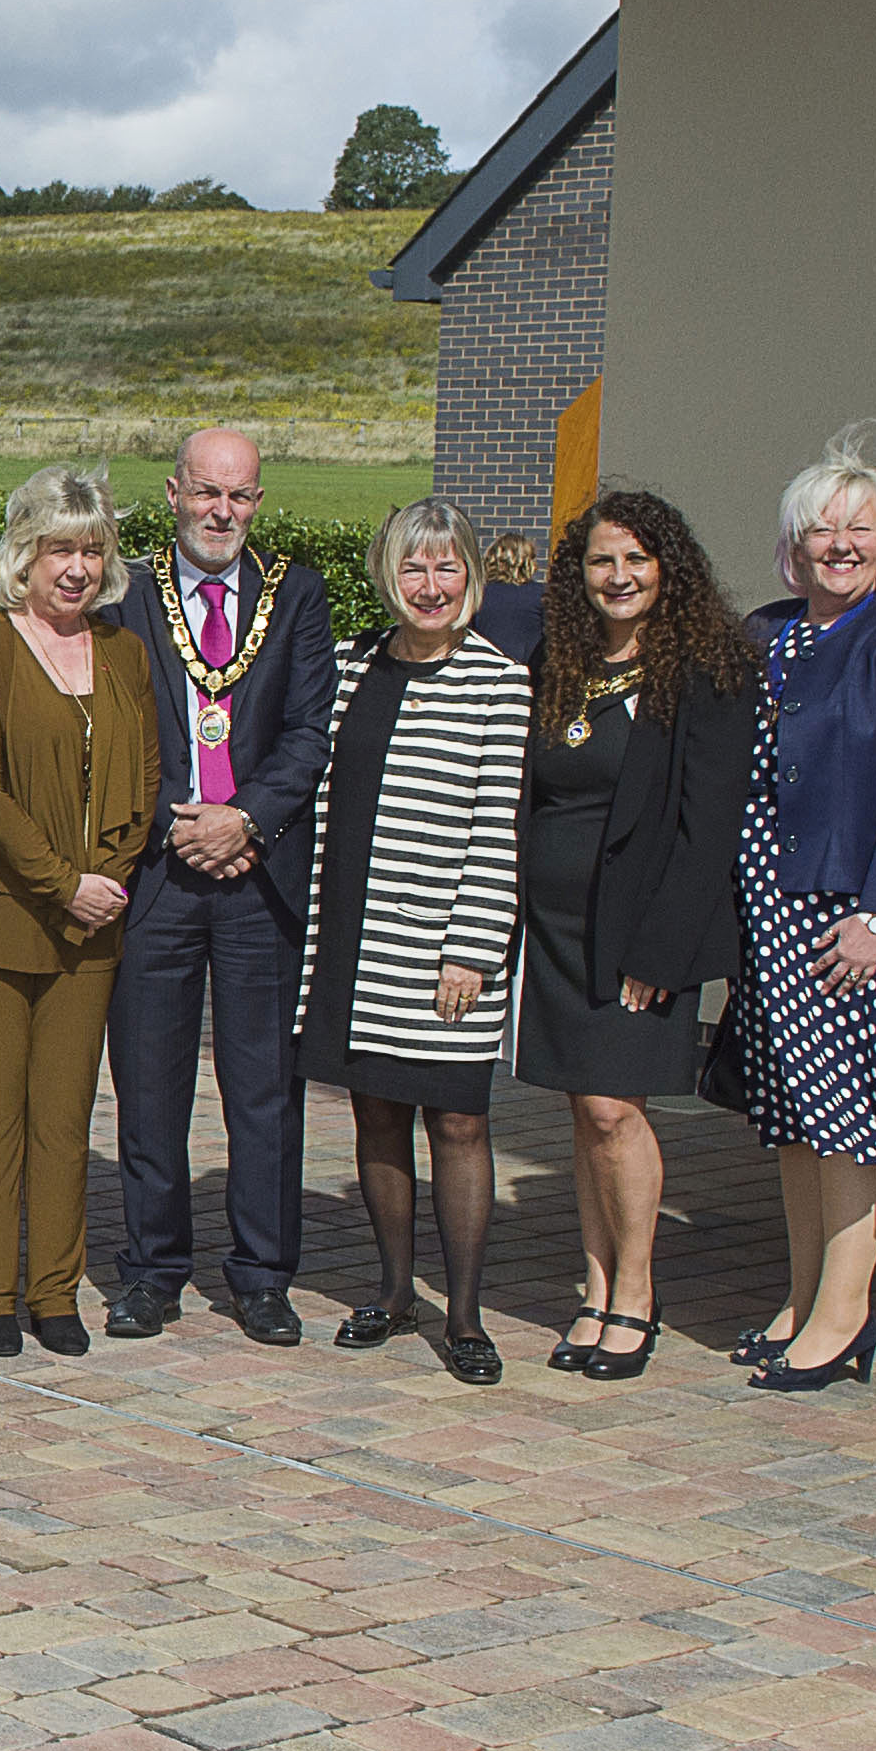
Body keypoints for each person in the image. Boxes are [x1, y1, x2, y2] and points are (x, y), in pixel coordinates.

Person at [724, 430, 876, 1391]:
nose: (839, 544)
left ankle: (845, 1315)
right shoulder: (766, 631)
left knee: (852, 1119)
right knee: (794, 1114)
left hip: (853, 922)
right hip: (770, 913)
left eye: (857, 529)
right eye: (820, 529)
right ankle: (801, 1296)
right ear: (793, 544)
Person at [513, 489, 755, 1382]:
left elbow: (708, 829)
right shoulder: (562, 660)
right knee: (583, 1110)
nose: (619, 577)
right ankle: (594, 1282)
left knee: (618, 1110)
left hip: (639, 929)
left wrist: (662, 949)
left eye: (637, 560)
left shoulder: (707, 669)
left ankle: (638, 1296)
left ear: (669, 568)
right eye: (601, 561)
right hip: (557, 926)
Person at [294, 503, 532, 1383]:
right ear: (388, 576)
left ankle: (462, 1312)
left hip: (441, 944)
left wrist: (470, 947)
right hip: (351, 937)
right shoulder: (352, 664)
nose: (430, 588)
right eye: (413, 570)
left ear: (470, 576)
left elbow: (496, 829)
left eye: (447, 570)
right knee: (378, 1113)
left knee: (460, 1120)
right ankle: (394, 1289)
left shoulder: (501, 680)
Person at [106, 427, 333, 1344]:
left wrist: (247, 818)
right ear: (173, 492)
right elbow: (114, 728)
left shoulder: (298, 593)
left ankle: (264, 1272)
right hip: (160, 872)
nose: (221, 512)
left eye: (239, 497)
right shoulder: (125, 595)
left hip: (257, 873)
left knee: (262, 1087)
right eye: (206, 492)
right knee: (149, 1085)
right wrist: (178, 819)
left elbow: (310, 730)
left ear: (259, 503)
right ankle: (153, 1269)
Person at [0, 467, 157, 1357]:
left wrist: (109, 872)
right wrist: (62, 878)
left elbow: (143, 773)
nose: (78, 567)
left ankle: (53, 1288)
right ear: (24, 554)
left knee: (65, 1118)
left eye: (92, 548)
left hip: (93, 921)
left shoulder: (126, 651)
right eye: (61, 547)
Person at [473, 527, 548, 665]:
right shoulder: (542, 595)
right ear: (527, 562)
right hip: (528, 677)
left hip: (484, 674)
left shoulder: (477, 594)